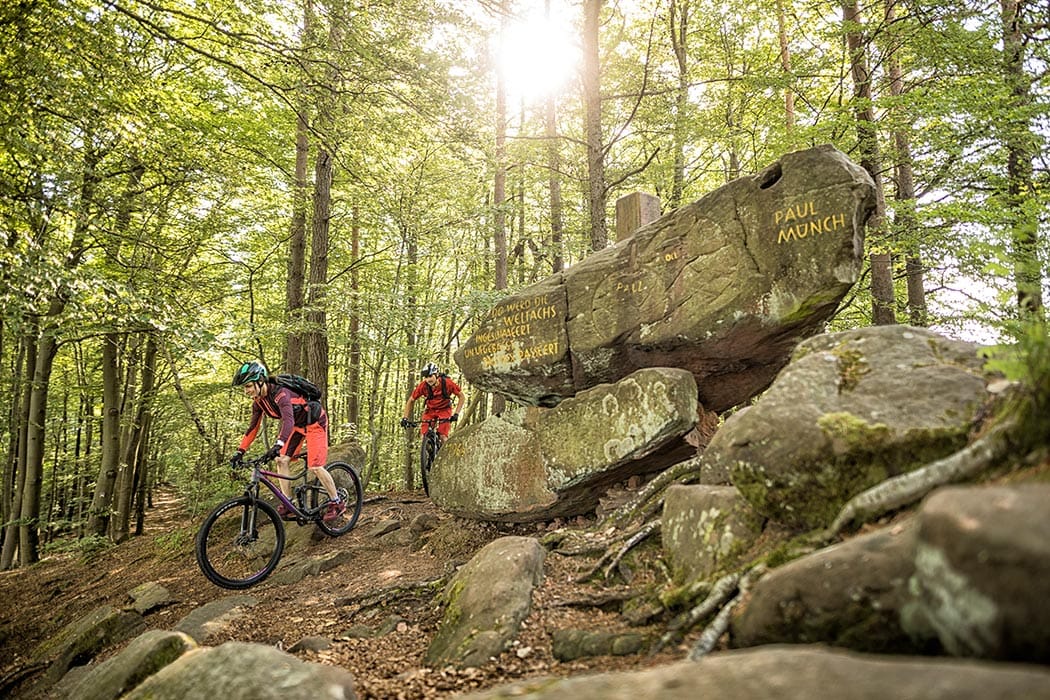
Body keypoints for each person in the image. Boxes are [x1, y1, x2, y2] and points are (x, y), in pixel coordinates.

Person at [229, 361, 345, 522]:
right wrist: (240, 451)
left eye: (248, 386)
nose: (246, 391)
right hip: (297, 426)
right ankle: (288, 503)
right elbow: (253, 428)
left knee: (315, 467)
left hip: (315, 424)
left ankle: (337, 502)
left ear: (260, 381)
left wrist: (279, 443)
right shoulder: (259, 401)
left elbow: (288, 420)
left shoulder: (280, 394)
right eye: (245, 387)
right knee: (281, 460)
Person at [400, 362, 463, 445]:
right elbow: (411, 400)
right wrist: (405, 418)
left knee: (443, 437)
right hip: (430, 410)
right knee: (424, 437)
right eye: (426, 377)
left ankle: (443, 452)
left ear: (436, 374)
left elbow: (461, 396)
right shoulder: (423, 386)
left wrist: (456, 414)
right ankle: (428, 451)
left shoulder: (447, 383)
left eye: (430, 376)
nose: (428, 380)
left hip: (444, 410)